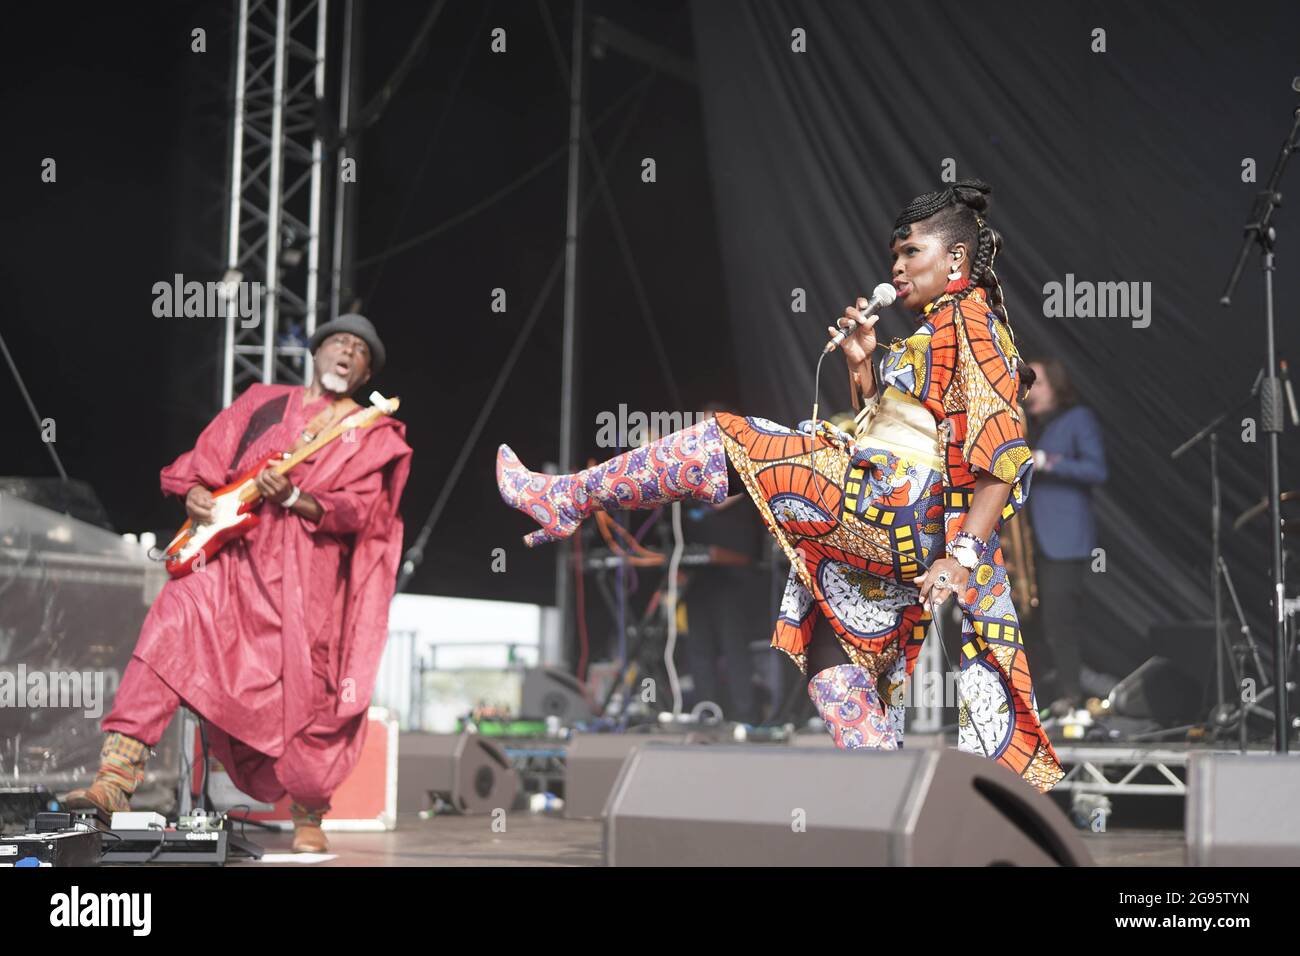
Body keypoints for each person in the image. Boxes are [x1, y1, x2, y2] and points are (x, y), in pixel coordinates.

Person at [497, 180, 1063, 793]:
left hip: (900, 508)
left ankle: (570, 497)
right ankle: (890, 804)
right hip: (896, 520)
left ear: (955, 258)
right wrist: (861, 366)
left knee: (731, 438)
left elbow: (1003, 456)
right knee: (830, 657)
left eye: (911, 252)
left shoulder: (973, 322)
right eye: (893, 254)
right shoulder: (937, 328)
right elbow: (899, 423)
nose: (896, 267)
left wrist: (961, 558)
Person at [66, 314, 412, 851]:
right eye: (338, 342)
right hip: (228, 563)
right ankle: (113, 782)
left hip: (304, 584)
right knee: (168, 628)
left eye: (360, 350)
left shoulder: (372, 431)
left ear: (367, 372)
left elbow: (366, 513)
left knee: (308, 695)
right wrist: (195, 493)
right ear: (316, 353)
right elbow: (206, 460)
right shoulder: (264, 401)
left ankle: (308, 815)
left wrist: (295, 498)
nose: (347, 352)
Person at [1022, 357, 1107, 715]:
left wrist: (1046, 462)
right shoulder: (1030, 424)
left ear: (1056, 385)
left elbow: (1097, 469)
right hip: (1030, 542)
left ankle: (1072, 699)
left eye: (1037, 383)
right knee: (1036, 623)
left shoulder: (1077, 420)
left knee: (1061, 620)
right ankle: (1044, 698)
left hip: (1063, 539)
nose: (1030, 391)